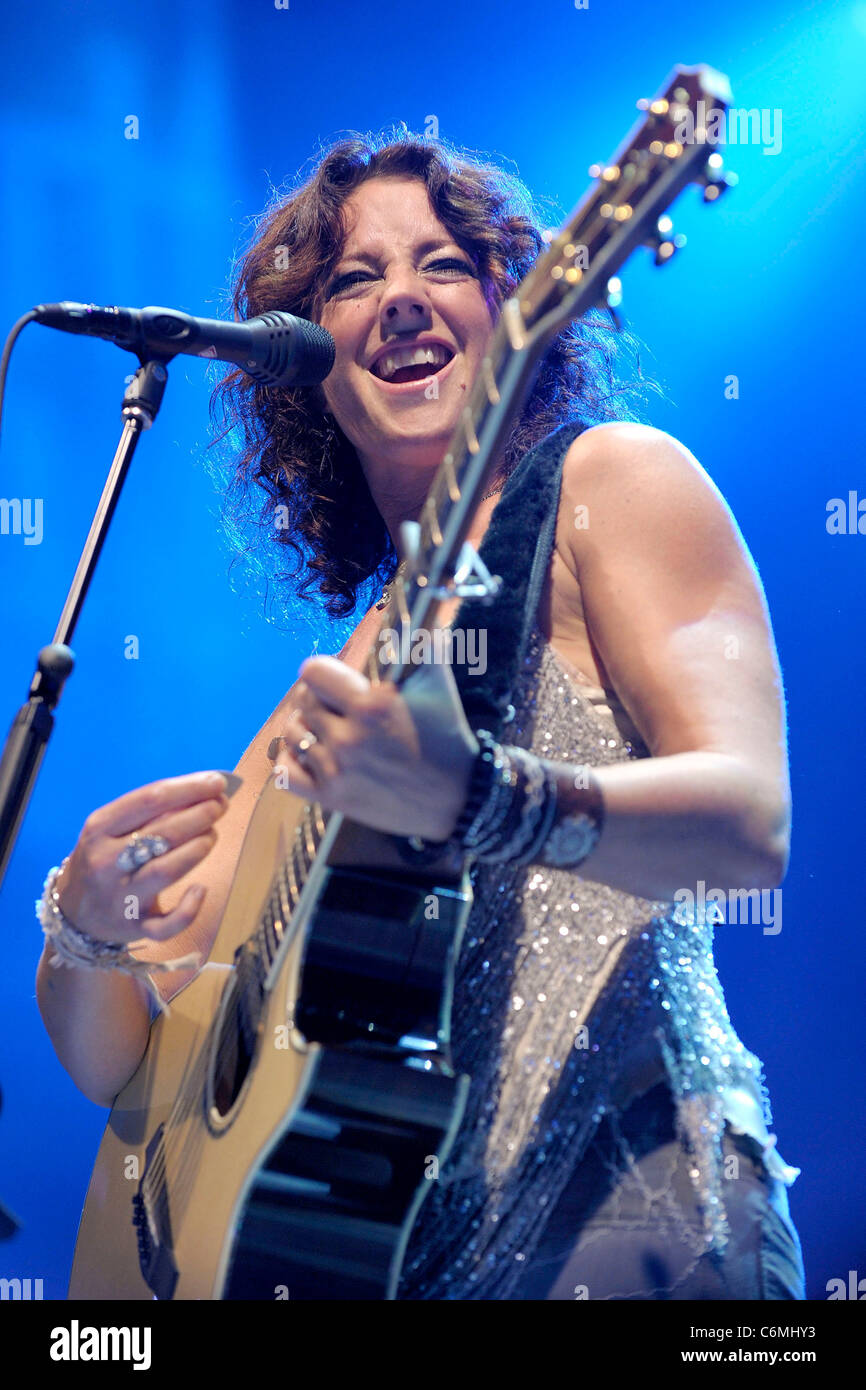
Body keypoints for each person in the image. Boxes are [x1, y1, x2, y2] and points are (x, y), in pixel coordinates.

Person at [35, 130, 805, 1300]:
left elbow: (749, 825)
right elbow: (131, 1070)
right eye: (351, 279)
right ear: (307, 366)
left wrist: (480, 795)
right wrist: (84, 929)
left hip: (635, 1212)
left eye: (441, 263)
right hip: (405, 1267)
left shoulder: (612, 482)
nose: (398, 298)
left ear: (516, 307)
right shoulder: (337, 683)